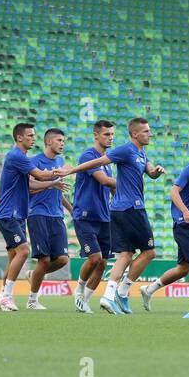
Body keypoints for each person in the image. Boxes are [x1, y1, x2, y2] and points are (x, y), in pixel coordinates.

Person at [65, 117, 167, 316]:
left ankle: (106, 296)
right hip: (131, 208)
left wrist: (156, 172)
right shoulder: (126, 150)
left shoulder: (141, 153)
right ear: (135, 134)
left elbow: (150, 172)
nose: (150, 134)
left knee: (123, 256)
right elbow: (101, 163)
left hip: (113, 211)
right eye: (146, 131)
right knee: (149, 252)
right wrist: (72, 170)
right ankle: (122, 290)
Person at [141, 136, 189, 315]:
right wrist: (184, 211)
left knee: (183, 268)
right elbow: (174, 192)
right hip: (184, 224)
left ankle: (149, 290)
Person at [0, 122, 63, 312]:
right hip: (9, 213)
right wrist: (61, 172)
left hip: (17, 214)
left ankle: (1, 296)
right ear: (19, 137)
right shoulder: (17, 156)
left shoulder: (21, 158)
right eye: (30, 135)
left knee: (14, 256)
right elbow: (39, 175)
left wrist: (51, 184)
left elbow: (32, 185)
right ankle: (7, 296)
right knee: (23, 251)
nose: (33, 138)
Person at [71, 120, 117, 314]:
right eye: (106, 134)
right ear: (96, 135)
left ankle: (85, 301)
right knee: (94, 258)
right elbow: (105, 181)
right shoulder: (89, 156)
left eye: (112, 134)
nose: (110, 137)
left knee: (103, 262)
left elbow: (112, 187)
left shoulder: (107, 161)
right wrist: (130, 183)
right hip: (85, 216)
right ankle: (79, 289)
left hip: (104, 217)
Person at [25, 129, 72, 310]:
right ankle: (32, 300)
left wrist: (70, 209)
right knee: (43, 260)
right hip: (37, 213)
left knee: (62, 259)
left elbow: (58, 190)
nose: (62, 143)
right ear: (49, 142)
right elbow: (29, 186)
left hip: (56, 215)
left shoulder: (60, 162)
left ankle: (34, 274)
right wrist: (50, 183)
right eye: (59, 140)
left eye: (63, 140)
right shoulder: (34, 162)